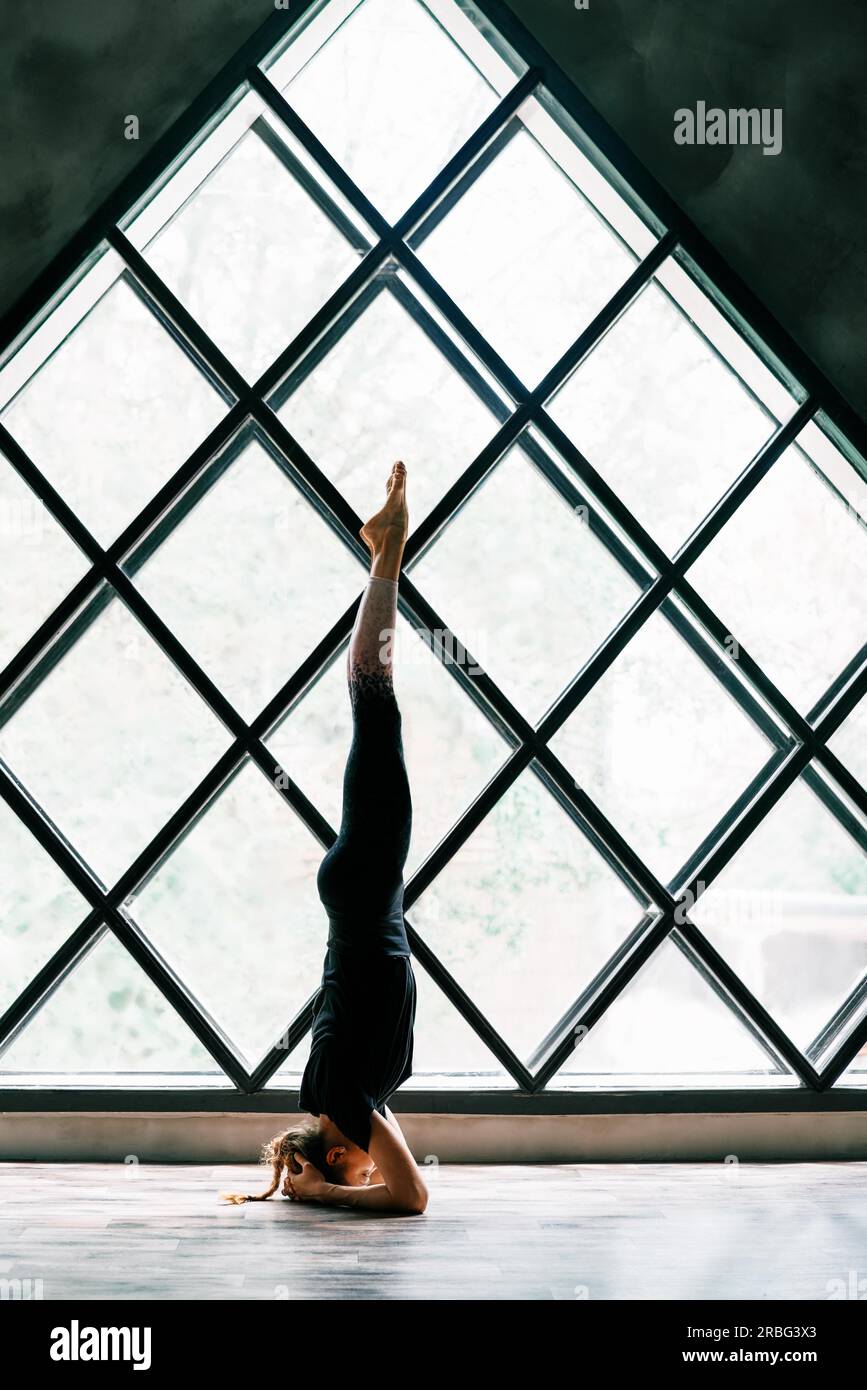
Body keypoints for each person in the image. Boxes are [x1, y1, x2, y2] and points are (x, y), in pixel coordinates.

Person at [222, 462, 428, 1215]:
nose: (368, 1173)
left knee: (375, 703)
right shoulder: (334, 1094)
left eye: (354, 1171)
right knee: (375, 711)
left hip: (368, 889)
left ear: (337, 1151)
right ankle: (384, 551)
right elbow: (383, 1172)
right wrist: (299, 1182)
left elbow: (411, 1199)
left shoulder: (342, 1101)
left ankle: (387, 551)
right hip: (359, 894)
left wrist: (317, 1199)